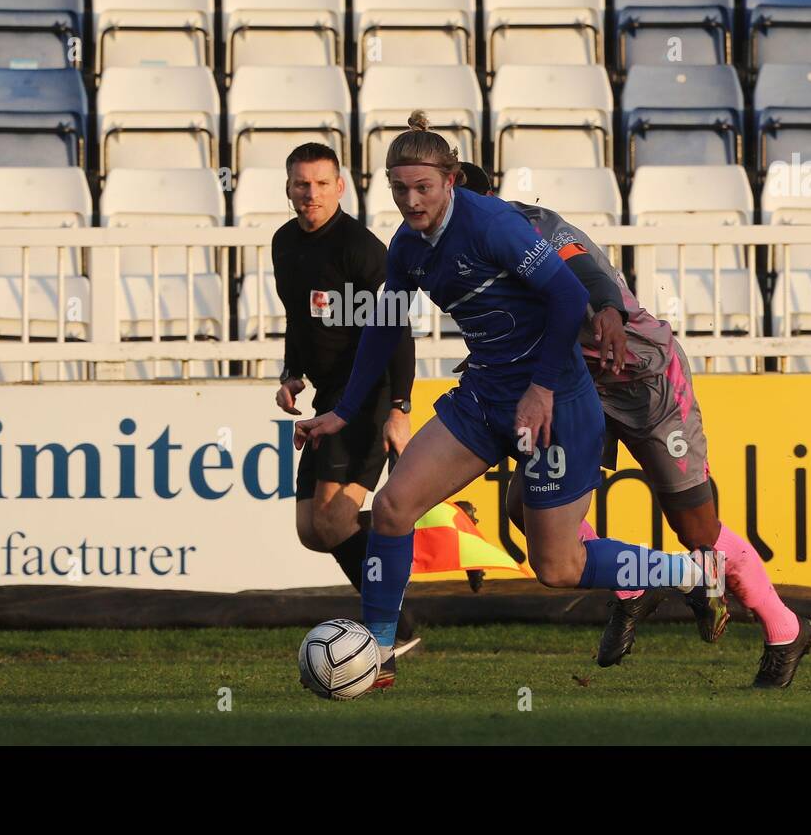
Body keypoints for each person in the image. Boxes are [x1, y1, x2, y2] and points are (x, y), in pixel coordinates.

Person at [294, 114, 721, 690]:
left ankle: (689, 573)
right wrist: (343, 411)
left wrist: (542, 388)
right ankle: (380, 655)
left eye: (423, 187)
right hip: (485, 398)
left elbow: (571, 297)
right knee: (393, 509)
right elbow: (381, 327)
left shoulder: (493, 225)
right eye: (400, 189)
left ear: (451, 181)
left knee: (557, 568)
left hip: (557, 406)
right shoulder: (406, 246)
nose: (412, 200)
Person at [498, 191, 811, 688]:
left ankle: (785, 629)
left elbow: (589, 272)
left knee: (698, 534)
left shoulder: (534, 227)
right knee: (524, 509)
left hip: (645, 376)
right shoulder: (464, 248)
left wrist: (607, 311)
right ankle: (633, 583)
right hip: (577, 384)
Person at [272, 142, 419, 654]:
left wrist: (400, 407)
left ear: (340, 186)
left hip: (368, 393)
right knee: (312, 530)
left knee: (333, 521)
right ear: (288, 187)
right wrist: (292, 372)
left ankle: (393, 629)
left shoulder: (361, 248)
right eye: (300, 183)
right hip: (327, 397)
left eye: (319, 183)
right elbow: (297, 316)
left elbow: (396, 326)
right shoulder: (284, 243)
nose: (309, 193)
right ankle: (401, 538)